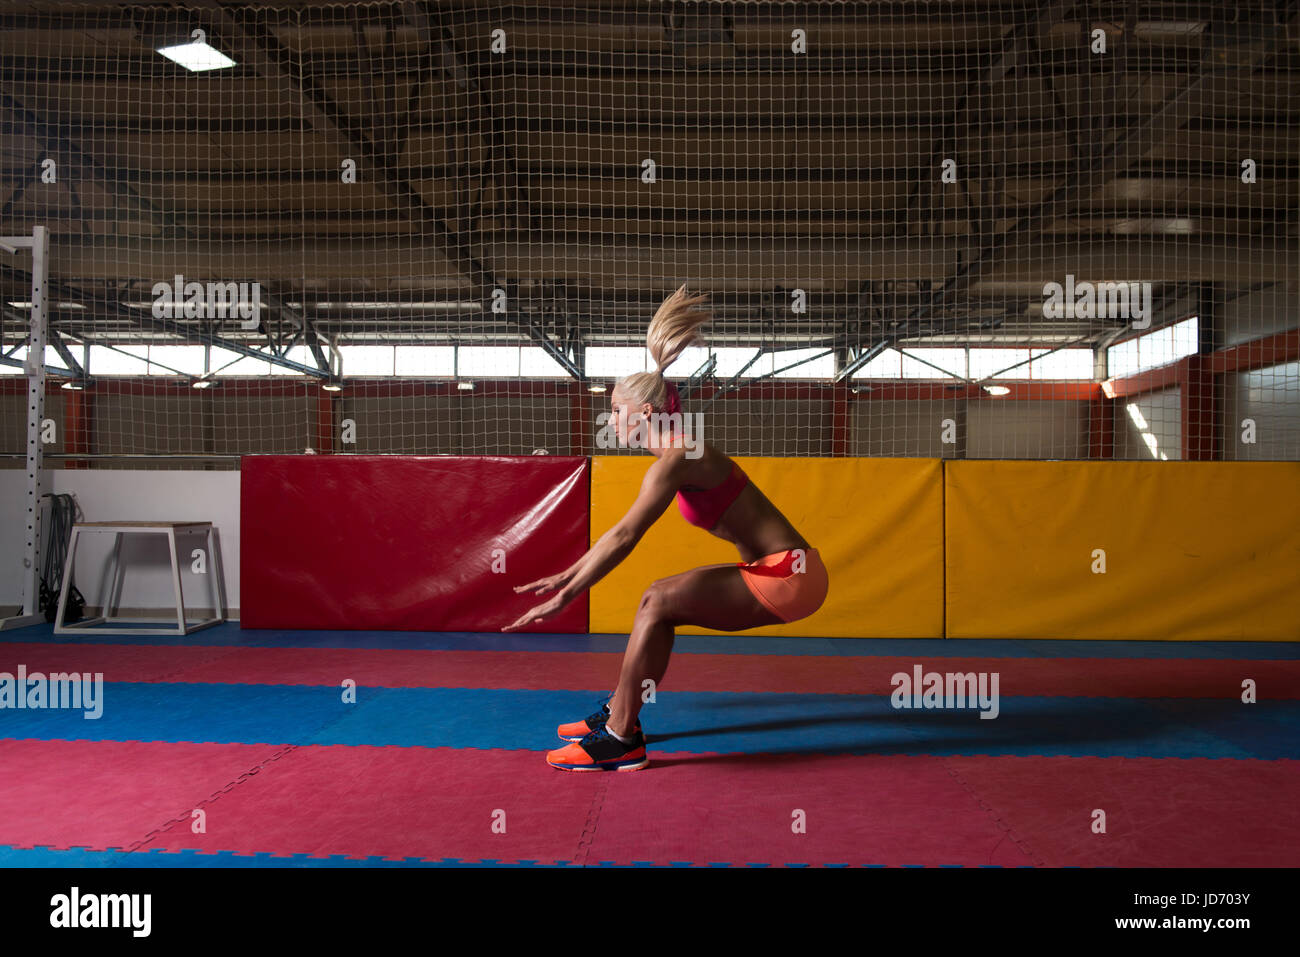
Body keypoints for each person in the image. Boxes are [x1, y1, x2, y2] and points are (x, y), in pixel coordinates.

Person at [502, 284, 830, 770]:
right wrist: (566, 579)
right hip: (781, 570)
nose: (609, 418)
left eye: (616, 409)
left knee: (657, 599)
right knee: (658, 604)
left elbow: (625, 536)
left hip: (789, 576)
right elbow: (619, 531)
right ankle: (620, 713)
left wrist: (567, 591)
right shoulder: (677, 451)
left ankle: (620, 739)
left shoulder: (677, 456)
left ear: (647, 413)